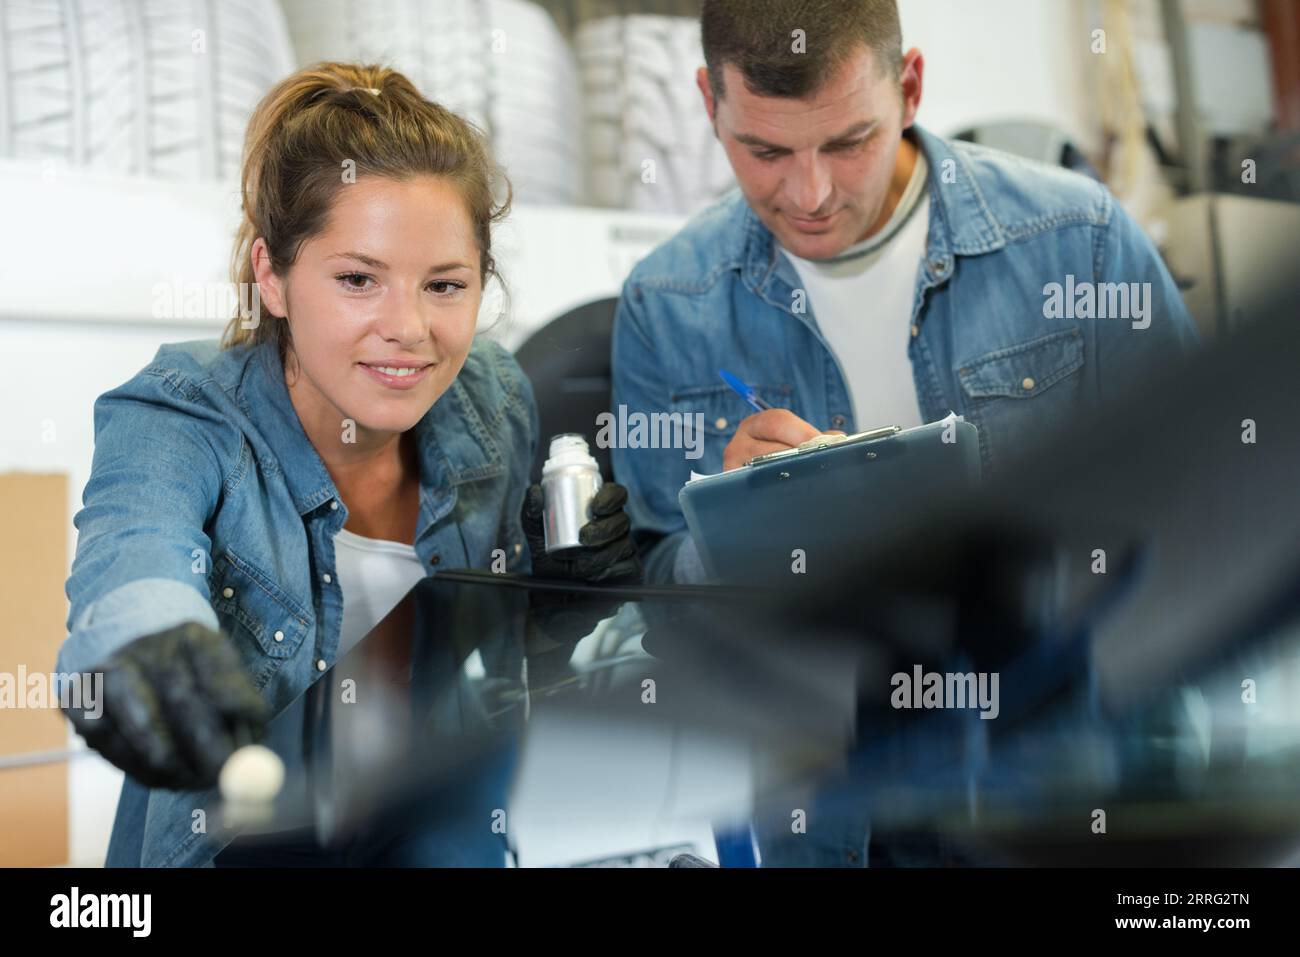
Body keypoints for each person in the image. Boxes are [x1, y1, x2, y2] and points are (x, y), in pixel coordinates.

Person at [609, 0, 1198, 864]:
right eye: (764, 151)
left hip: (1068, 772)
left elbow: (1212, 512)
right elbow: (655, 588)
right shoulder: (667, 308)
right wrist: (732, 532)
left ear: (911, 85)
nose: (808, 195)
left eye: (848, 142)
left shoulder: (1082, 245)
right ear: (708, 103)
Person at [58, 62, 638, 868]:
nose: (408, 328)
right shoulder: (182, 413)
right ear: (274, 276)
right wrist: (152, 654)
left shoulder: (493, 400)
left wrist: (554, 600)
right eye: (358, 279)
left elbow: (486, 675)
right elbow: (128, 574)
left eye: (445, 284)